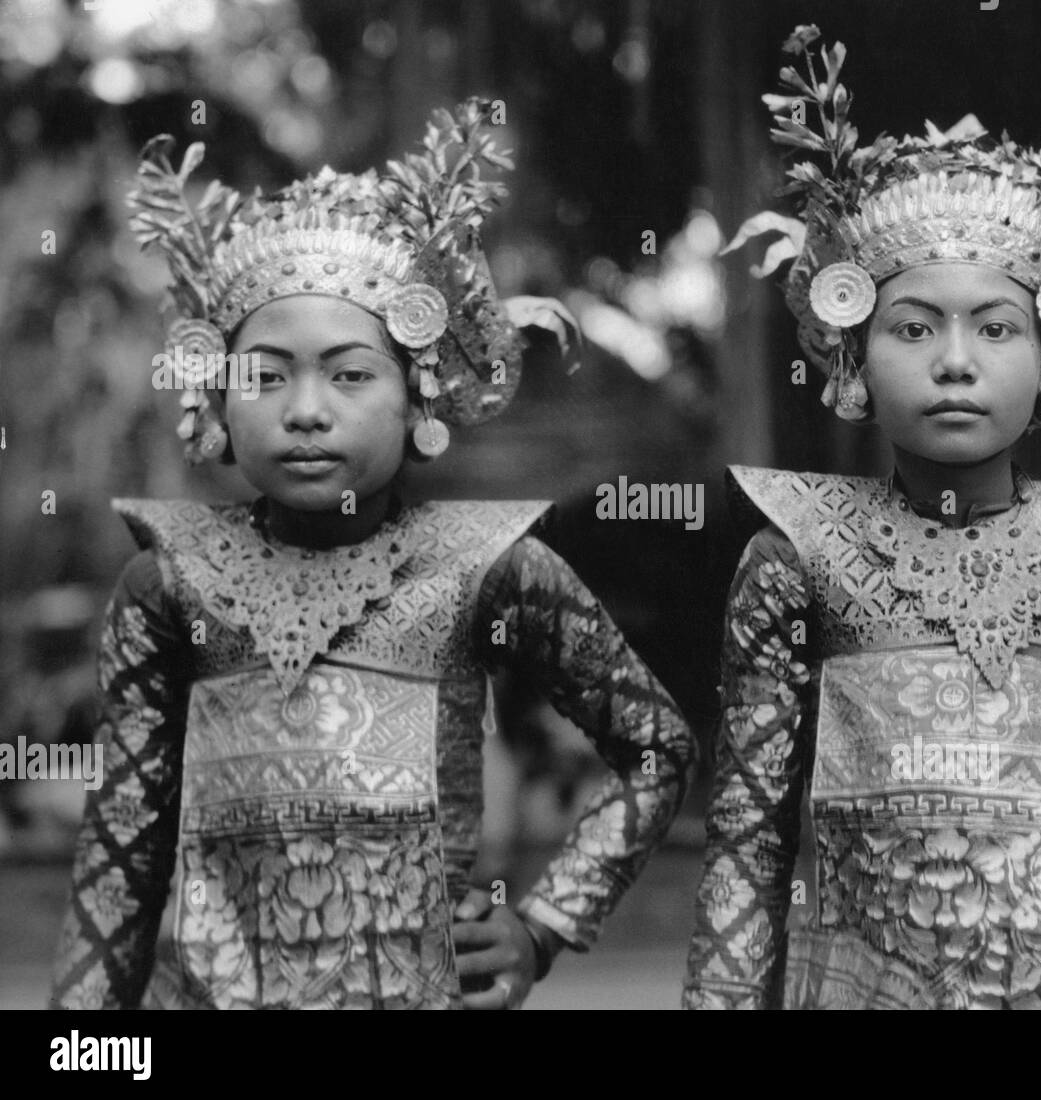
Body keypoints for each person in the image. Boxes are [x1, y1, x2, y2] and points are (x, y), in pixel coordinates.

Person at [50, 99, 695, 1010]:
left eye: (350, 374)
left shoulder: (488, 569)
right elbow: (122, 851)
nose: (307, 410)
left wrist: (542, 926)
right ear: (217, 401)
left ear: (419, 396)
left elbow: (658, 746)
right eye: (266, 376)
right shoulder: (166, 584)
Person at [683, 29, 1041, 1010]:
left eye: (995, 325)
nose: (955, 359)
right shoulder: (793, 553)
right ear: (851, 357)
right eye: (913, 326)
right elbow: (747, 850)